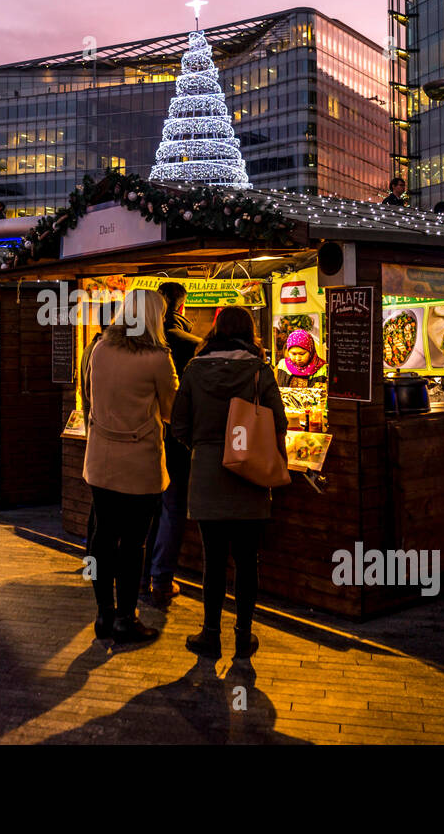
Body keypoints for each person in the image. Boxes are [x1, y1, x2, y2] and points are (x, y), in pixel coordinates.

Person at [171, 306, 287, 660]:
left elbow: (178, 425)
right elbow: (279, 421)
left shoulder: (193, 369)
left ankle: (210, 634)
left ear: (216, 330)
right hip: (249, 471)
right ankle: (243, 635)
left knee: (214, 559)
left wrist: (204, 447)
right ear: (249, 331)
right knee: (247, 560)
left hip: (207, 473)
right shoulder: (259, 370)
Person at [81, 288, 178, 645]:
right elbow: (171, 411)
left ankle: (103, 614)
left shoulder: (100, 349)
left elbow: (90, 396)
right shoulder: (157, 358)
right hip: (139, 464)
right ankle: (126, 618)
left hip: (101, 460)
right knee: (133, 543)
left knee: (103, 538)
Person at [143, 281, 204, 604]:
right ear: (181, 306)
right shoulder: (189, 345)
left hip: (145, 439)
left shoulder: (136, 344)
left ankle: (142, 577)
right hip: (176, 438)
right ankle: (162, 578)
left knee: (150, 508)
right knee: (173, 506)